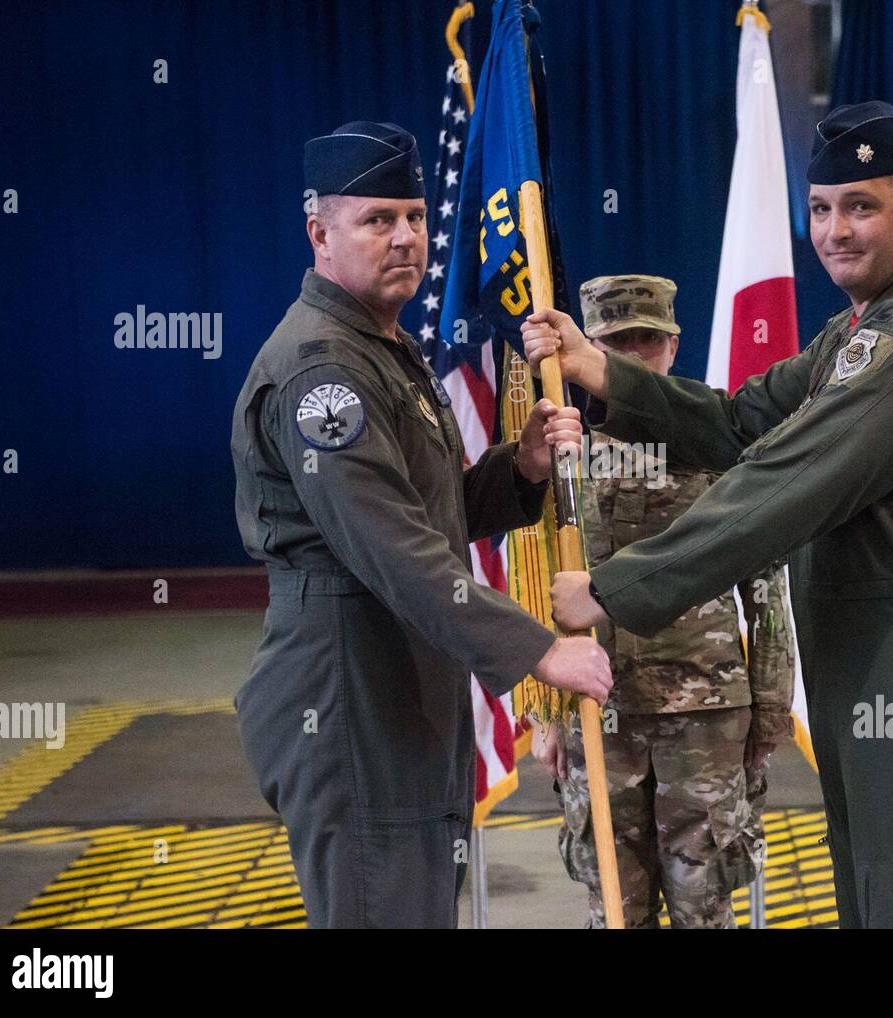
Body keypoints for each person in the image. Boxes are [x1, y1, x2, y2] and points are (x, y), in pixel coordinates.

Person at [523, 102, 893, 929]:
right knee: (885, 898)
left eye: (862, 206)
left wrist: (616, 589)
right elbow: (739, 423)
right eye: (823, 207)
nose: (835, 230)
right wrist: (604, 374)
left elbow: (782, 487)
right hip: (883, 655)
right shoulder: (860, 329)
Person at [230, 121, 611, 929]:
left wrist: (523, 469)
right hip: (351, 691)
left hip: (398, 687)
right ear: (319, 233)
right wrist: (540, 649)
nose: (404, 238)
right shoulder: (324, 370)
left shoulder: (380, 348)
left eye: (413, 217)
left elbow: (426, 511)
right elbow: (395, 550)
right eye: (376, 220)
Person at [531, 274, 796, 928]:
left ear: (673, 346)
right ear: (585, 348)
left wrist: (771, 706)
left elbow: (765, 584)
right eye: (615, 343)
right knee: (614, 910)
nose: (632, 356)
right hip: (599, 709)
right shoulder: (561, 447)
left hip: (704, 716)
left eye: (647, 340)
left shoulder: (717, 440)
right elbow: (537, 577)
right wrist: (541, 711)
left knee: (704, 906)